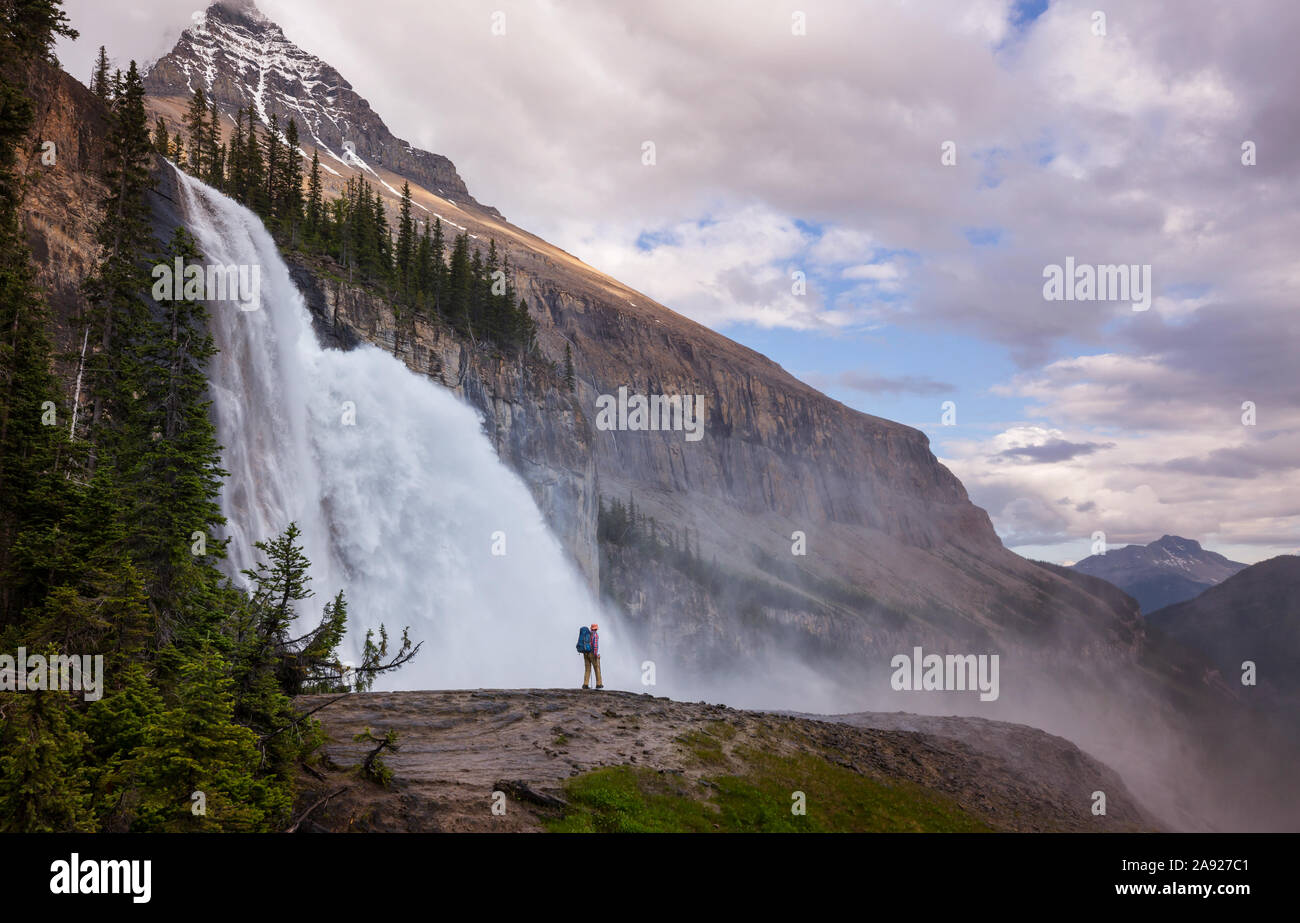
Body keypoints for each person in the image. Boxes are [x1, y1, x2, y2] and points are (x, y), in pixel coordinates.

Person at [582, 623, 603, 689]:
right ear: (596, 629)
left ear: (591, 628)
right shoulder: (595, 635)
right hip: (592, 653)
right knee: (597, 668)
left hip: (585, 653)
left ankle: (585, 684)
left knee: (587, 669)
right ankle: (599, 684)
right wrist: (596, 655)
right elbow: (595, 646)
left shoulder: (587, 634)